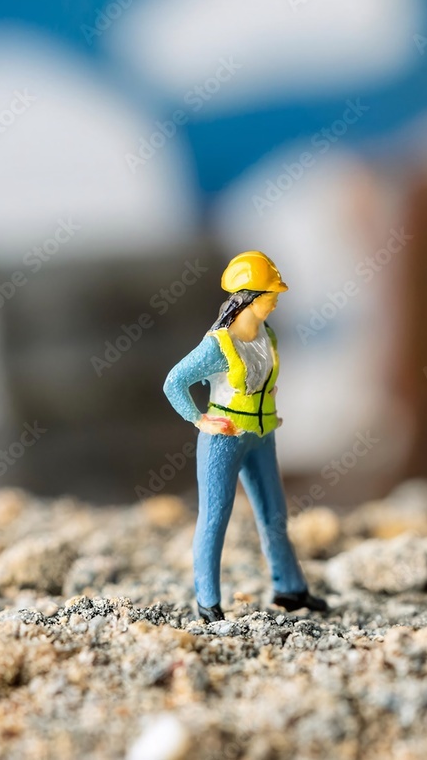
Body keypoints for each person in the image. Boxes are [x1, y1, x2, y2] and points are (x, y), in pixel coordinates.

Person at [163, 250, 329, 622]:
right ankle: (207, 602)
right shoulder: (217, 346)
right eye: (270, 297)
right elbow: (174, 381)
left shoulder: (267, 336)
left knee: (274, 512)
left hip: (262, 436)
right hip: (224, 440)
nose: (274, 304)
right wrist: (198, 419)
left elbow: (265, 382)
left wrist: (268, 407)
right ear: (249, 298)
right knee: (215, 516)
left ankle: (290, 588)